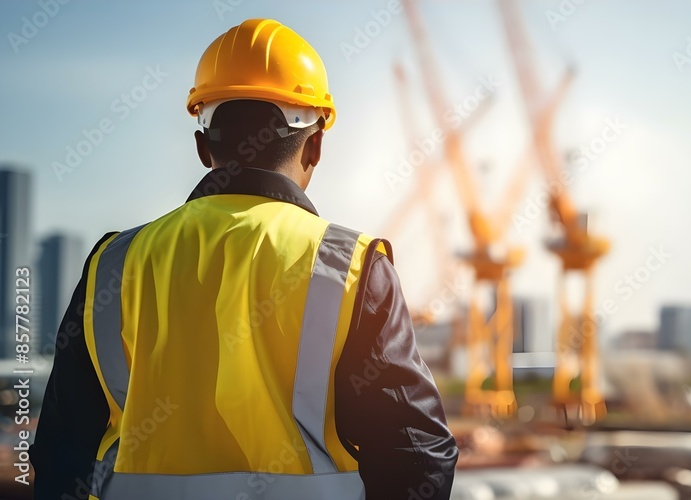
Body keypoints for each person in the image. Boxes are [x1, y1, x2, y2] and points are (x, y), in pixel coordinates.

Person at [31, 18, 458, 500]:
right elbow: (417, 453)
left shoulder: (113, 263)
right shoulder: (353, 269)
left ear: (201, 146)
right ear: (315, 144)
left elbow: (59, 454)